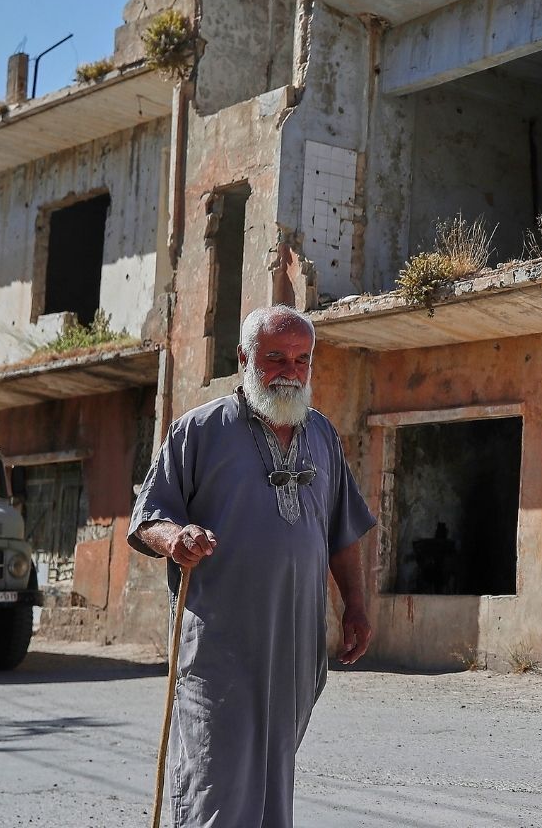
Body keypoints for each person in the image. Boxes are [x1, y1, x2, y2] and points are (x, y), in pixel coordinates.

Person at [129, 304, 377, 828]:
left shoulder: (323, 436)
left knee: (271, 785)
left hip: (294, 648)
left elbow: (343, 533)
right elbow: (149, 516)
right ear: (244, 358)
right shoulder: (197, 431)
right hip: (221, 646)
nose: (290, 371)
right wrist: (176, 538)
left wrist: (355, 606)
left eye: (301, 360)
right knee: (216, 783)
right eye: (275, 359)